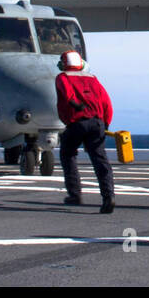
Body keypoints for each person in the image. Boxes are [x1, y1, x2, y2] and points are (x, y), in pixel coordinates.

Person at [55, 50, 116, 214]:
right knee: (100, 160)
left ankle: (74, 194)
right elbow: (106, 102)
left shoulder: (62, 77)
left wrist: (76, 106)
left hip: (77, 122)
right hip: (97, 123)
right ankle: (108, 197)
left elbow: (67, 94)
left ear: (64, 63)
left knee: (68, 154)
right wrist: (106, 123)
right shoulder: (92, 78)